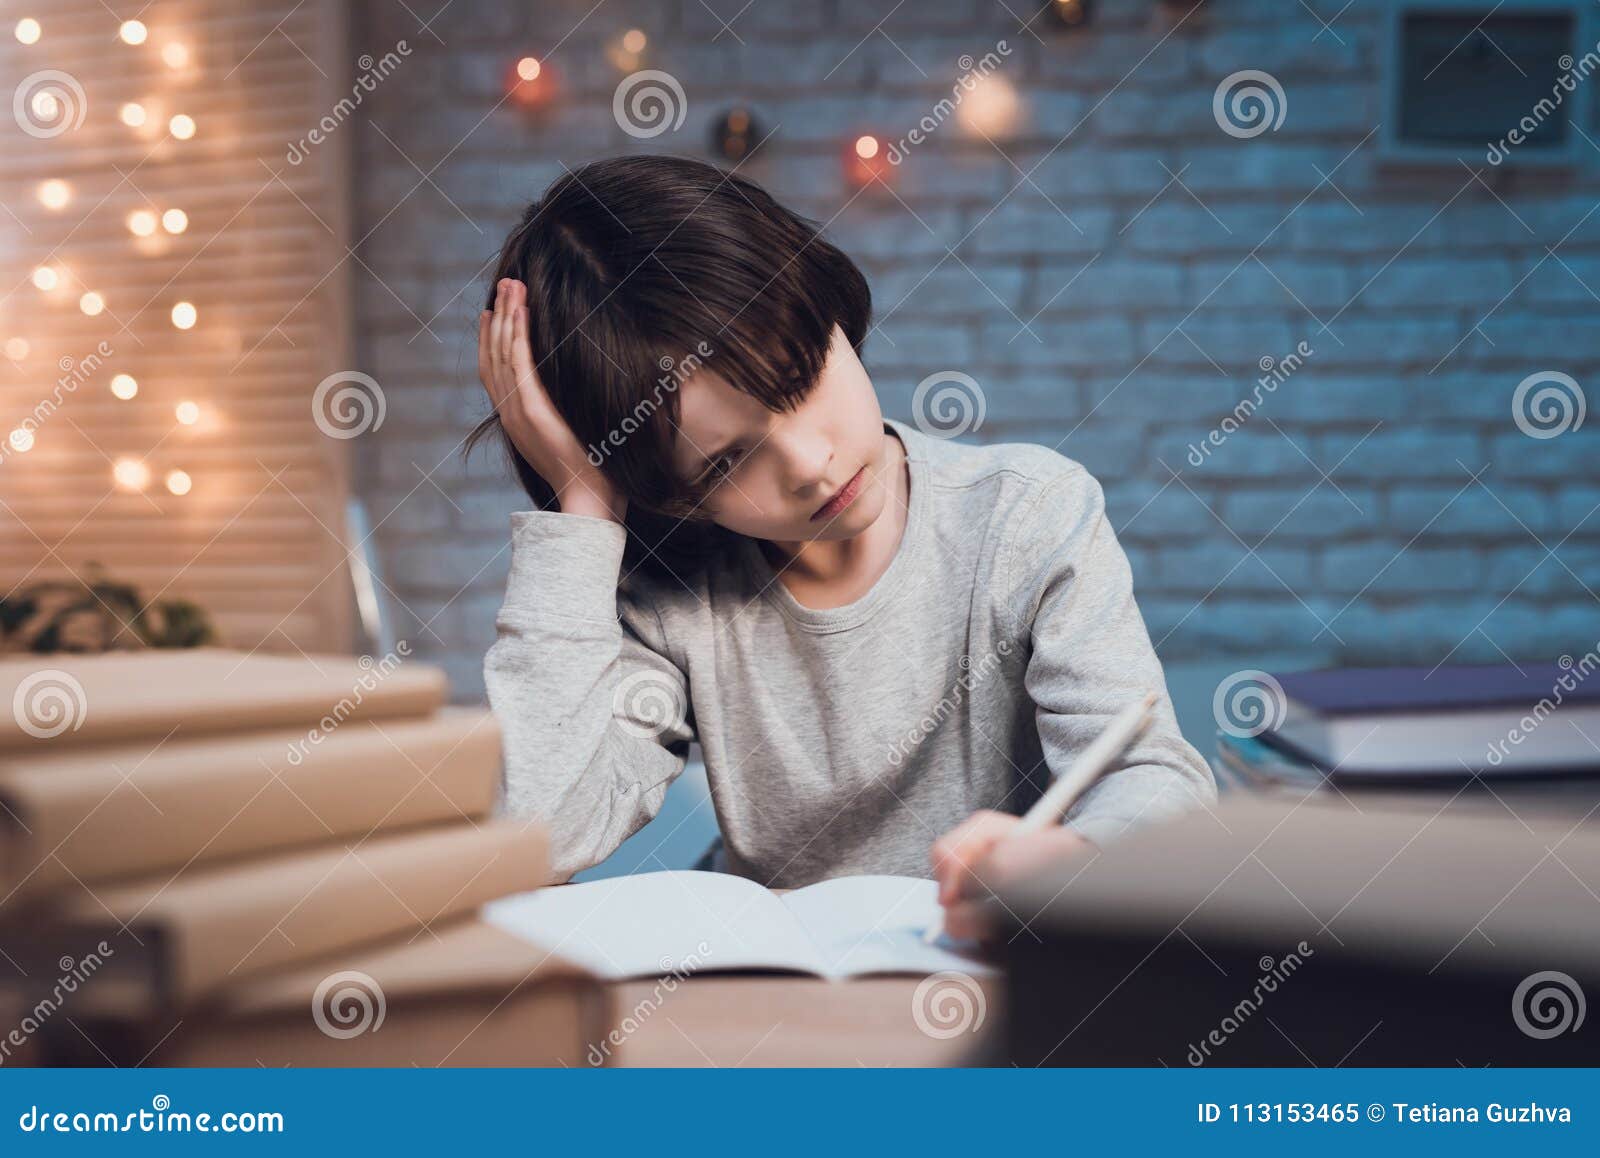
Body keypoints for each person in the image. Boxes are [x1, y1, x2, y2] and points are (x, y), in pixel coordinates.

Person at [470, 155, 1214, 934]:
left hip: (999, 986)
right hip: (772, 1002)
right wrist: (584, 505)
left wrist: (1076, 863)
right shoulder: (668, 602)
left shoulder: (1025, 514)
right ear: (667, 495)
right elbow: (540, 835)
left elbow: (1150, 776)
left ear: (832, 316)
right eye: (727, 461)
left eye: (800, 378)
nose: (810, 464)